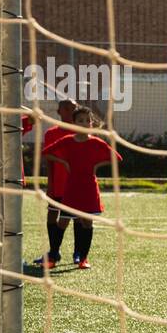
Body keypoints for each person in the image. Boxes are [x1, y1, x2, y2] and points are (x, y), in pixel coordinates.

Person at [43, 106, 121, 270]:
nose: (84, 123)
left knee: (87, 222)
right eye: (80, 120)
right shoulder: (67, 141)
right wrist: (64, 163)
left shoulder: (96, 142)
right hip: (71, 188)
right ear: (74, 123)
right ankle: (53, 256)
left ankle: (83, 259)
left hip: (89, 189)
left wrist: (96, 165)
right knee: (63, 222)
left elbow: (116, 158)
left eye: (87, 120)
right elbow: (47, 152)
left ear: (91, 123)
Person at [29, 98, 78, 269]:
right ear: (59, 112)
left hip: (77, 183)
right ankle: (53, 251)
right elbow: (48, 161)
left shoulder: (82, 132)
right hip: (58, 182)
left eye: (74, 108)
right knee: (52, 214)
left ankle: (79, 253)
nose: (71, 111)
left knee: (80, 217)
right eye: (67, 108)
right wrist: (50, 184)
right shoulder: (51, 133)